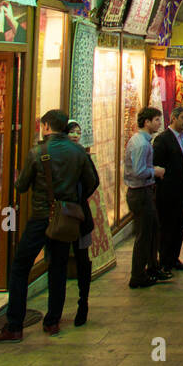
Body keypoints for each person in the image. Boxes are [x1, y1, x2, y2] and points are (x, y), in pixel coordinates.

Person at [0, 110, 98, 342]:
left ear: (47, 127)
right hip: (65, 219)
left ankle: (14, 324)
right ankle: (52, 321)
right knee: (57, 267)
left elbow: (21, 186)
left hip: (40, 217)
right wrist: (70, 202)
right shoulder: (78, 151)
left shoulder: (37, 152)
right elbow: (91, 182)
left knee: (19, 267)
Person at [125, 106, 169, 289]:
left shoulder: (143, 141)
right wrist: (155, 172)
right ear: (147, 122)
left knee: (151, 231)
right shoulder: (141, 144)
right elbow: (138, 171)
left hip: (144, 192)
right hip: (140, 192)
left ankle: (151, 267)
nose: (160, 123)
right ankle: (137, 275)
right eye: (157, 120)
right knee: (144, 234)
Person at [65, 122, 101, 325]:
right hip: (72, 215)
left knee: (82, 258)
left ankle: (82, 303)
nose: (75, 136)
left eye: (78, 132)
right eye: (72, 132)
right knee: (70, 258)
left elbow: (93, 181)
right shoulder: (70, 156)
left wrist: (79, 198)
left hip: (78, 215)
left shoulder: (83, 157)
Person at [153, 106, 183, 274]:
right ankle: (164, 262)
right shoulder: (163, 139)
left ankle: (174, 258)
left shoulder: (181, 138)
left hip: (181, 190)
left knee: (178, 226)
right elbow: (157, 166)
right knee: (168, 227)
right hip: (169, 192)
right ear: (173, 118)